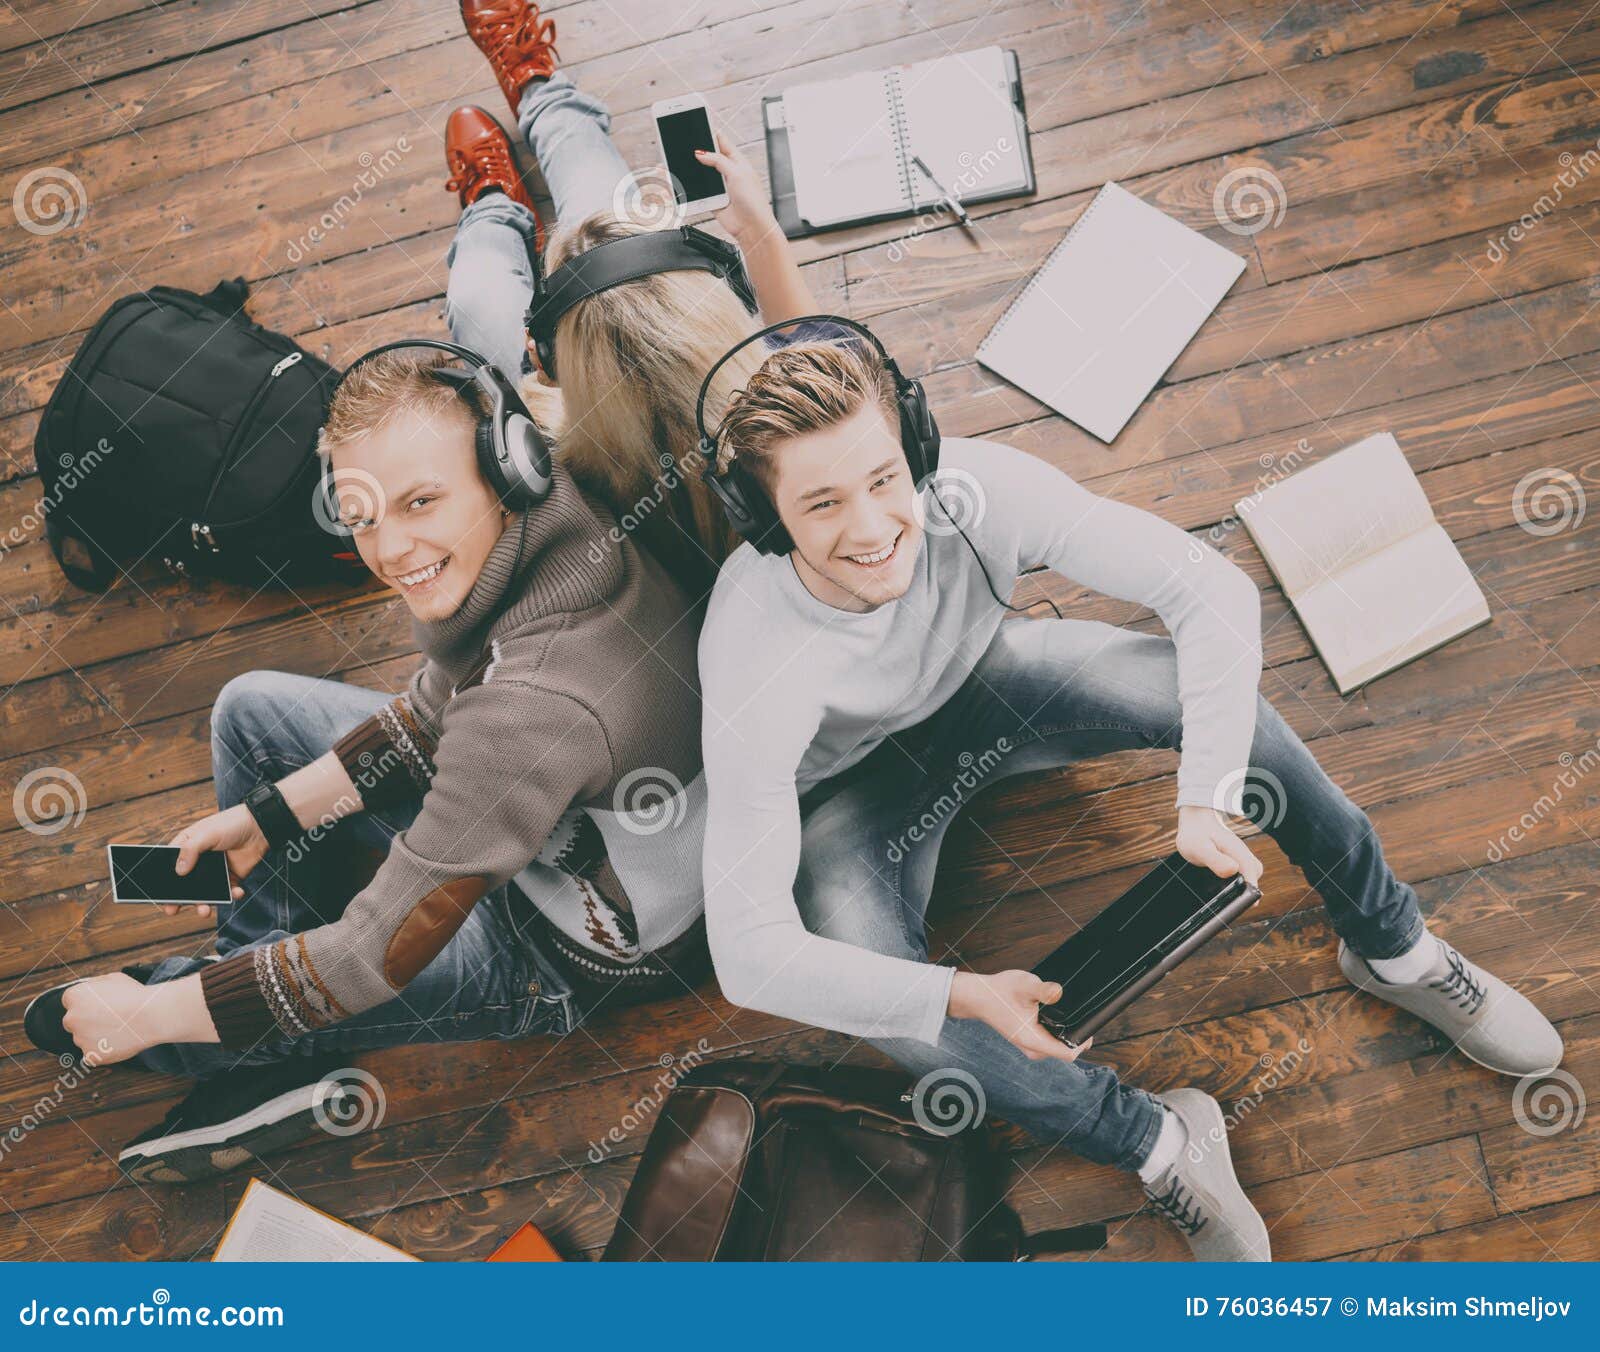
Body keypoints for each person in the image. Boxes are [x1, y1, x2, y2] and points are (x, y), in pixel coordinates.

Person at [694, 325, 1565, 1262]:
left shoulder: (981, 492)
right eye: (821, 504)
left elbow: (1211, 590)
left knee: (1236, 723)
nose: (869, 528)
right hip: (858, 795)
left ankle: (1393, 945)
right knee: (896, 1009)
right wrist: (955, 992)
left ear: (915, 444)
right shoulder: (751, 653)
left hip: (989, 684)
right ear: (767, 516)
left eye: (880, 479)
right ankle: (1156, 1141)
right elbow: (748, 955)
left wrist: (1207, 795)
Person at [26, 345, 708, 1183]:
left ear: (507, 468)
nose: (389, 550)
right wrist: (266, 819)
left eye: (422, 502)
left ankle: (214, 1030)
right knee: (250, 711)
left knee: (289, 983)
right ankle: (243, 1013)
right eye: (362, 513)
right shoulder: (543, 526)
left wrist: (149, 1015)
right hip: (531, 830)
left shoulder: (533, 708)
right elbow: (435, 708)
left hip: (568, 952)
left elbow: (373, 954)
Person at [441, 0, 816, 596]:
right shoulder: (804, 413)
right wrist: (762, 233)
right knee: (574, 225)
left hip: (570, 431)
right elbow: (810, 339)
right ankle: (537, 89)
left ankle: (494, 199)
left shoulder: (545, 460)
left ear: (542, 359)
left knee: (478, 293)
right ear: (723, 306)